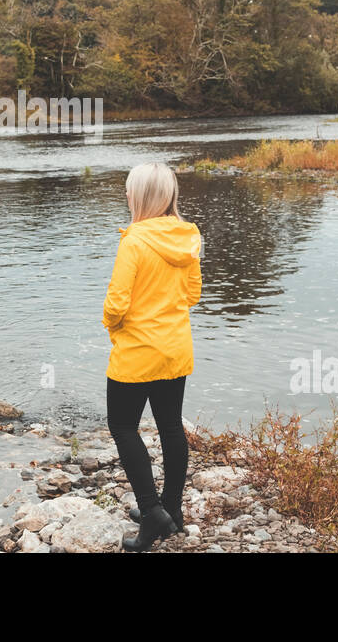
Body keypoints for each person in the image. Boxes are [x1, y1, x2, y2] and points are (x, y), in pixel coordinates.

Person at [101, 161, 202, 551]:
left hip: (137, 353)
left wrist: (113, 326)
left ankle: (152, 514)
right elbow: (192, 295)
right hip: (175, 350)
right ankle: (172, 511)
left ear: (140, 196)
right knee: (170, 426)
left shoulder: (134, 240)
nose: (126, 195)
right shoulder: (188, 237)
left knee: (123, 427)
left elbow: (116, 301)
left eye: (129, 190)